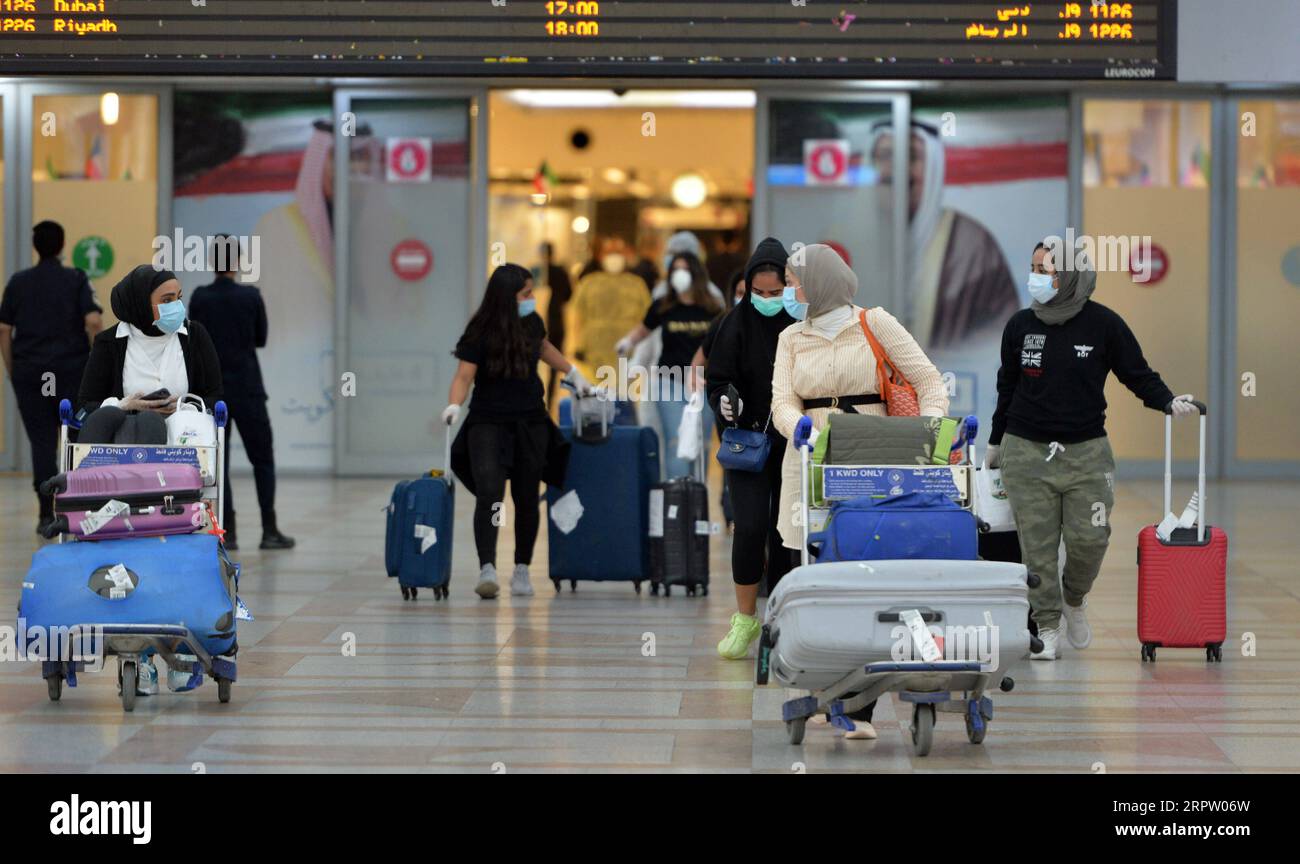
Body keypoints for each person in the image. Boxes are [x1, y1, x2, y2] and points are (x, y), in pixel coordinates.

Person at [770, 244, 949, 740]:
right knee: (816, 569)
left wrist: (927, 431)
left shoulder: (875, 323)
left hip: (874, 457)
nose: (790, 291)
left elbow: (928, 380)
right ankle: (820, 686)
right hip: (810, 458)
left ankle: (861, 708)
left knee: (868, 568)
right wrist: (799, 429)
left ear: (820, 281)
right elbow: (782, 400)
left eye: (794, 280)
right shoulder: (791, 336)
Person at [987, 242, 1196, 661]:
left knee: (1090, 539)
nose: (1037, 278)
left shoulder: (1103, 325)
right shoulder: (1020, 325)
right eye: (1032, 268)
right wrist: (996, 441)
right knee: (1037, 547)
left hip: (1087, 454)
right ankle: (1046, 627)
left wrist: (1168, 401)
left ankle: (1074, 599)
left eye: (1045, 270)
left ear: (1069, 275)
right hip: (1026, 451)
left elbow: (1136, 373)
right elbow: (1007, 387)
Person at [75, 264, 224, 698]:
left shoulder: (195, 337)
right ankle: (139, 657)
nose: (177, 306)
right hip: (126, 462)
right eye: (166, 299)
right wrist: (126, 404)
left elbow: (215, 394)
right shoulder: (109, 343)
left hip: (185, 462)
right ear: (142, 305)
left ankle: (180, 650)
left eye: (179, 295)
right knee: (132, 551)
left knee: (179, 552)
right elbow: (86, 405)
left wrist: (184, 407)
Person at [445, 264, 588, 599]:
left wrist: (571, 371)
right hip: (488, 423)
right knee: (490, 493)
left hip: (530, 421)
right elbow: (464, 375)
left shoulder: (531, 323)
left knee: (526, 497)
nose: (532, 298)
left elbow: (543, 348)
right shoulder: (480, 330)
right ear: (507, 297)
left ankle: (522, 569)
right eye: (526, 293)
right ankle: (488, 568)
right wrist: (454, 405)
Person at [706, 238, 798, 657]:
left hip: (794, 443)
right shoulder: (733, 324)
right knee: (749, 528)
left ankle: (780, 620)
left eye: (775, 293)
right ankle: (745, 619)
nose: (765, 300)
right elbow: (717, 377)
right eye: (757, 293)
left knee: (786, 534)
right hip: (748, 443)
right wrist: (724, 397)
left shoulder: (802, 324)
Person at [868, 119, 1020, 350]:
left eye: (911, 157)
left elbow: (999, 341)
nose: (896, 170)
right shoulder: (850, 237)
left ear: (933, 170)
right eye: (886, 156)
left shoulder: (973, 246)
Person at [189, 236, 295, 551]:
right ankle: (269, 528)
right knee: (262, 459)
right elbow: (260, 339)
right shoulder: (251, 296)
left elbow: (194, 341)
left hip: (213, 391)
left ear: (211, 262)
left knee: (219, 460)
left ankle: (229, 530)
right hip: (248, 387)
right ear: (236, 262)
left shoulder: (200, 298)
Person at [0, 221, 103, 534]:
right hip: (70, 370)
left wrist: (12, 369)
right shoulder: (75, 279)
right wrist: (95, 364)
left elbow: (4, 329)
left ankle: (46, 511)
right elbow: (94, 321)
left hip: (31, 372)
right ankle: (74, 505)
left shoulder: (18, 282)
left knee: (41, 441)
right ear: (61, 246)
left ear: (36, 246)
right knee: (74, 438)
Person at [616, 251, 720, 480]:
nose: (679, 274)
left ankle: (697, 500)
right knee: (676, 441)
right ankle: (676, 500)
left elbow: (722, 341)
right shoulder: (663, 306)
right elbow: (643, 330)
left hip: (702, 383)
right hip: (669, 381)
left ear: (696, 273)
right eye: (675, 270)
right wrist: (626, 343)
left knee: (700, 444)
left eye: (684, 269)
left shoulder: (712, 308)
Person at [538, 242, 574, 410]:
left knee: (550, 358)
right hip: (556, 319)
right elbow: (569, 294)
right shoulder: (558, 271)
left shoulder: (538, 272)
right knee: (554, 363)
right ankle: (550, 400)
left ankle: (547, 399)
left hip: (551, 320)